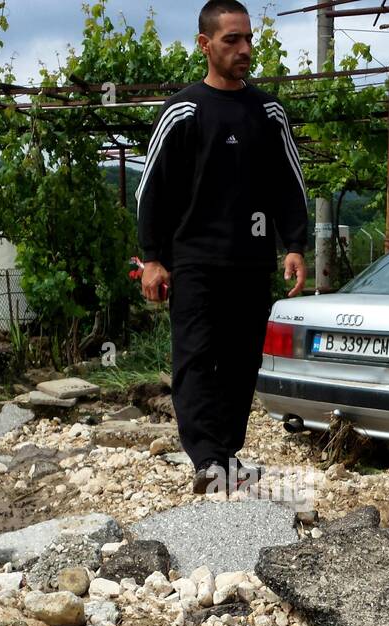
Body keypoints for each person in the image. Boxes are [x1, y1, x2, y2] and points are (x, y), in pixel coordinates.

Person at [136, 0, 309, 495]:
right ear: (205, 44)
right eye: (232, 39)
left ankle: (226, 456)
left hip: (252, 264)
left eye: (248, 39)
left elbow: (288, 184)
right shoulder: (183, 111)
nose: (244, 49)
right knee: (195, 359)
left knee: (241, 362)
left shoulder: (267, 112)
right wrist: (152, 257)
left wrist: (294, 244)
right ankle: (207, 460)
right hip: (194, 263)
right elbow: (152, 189)